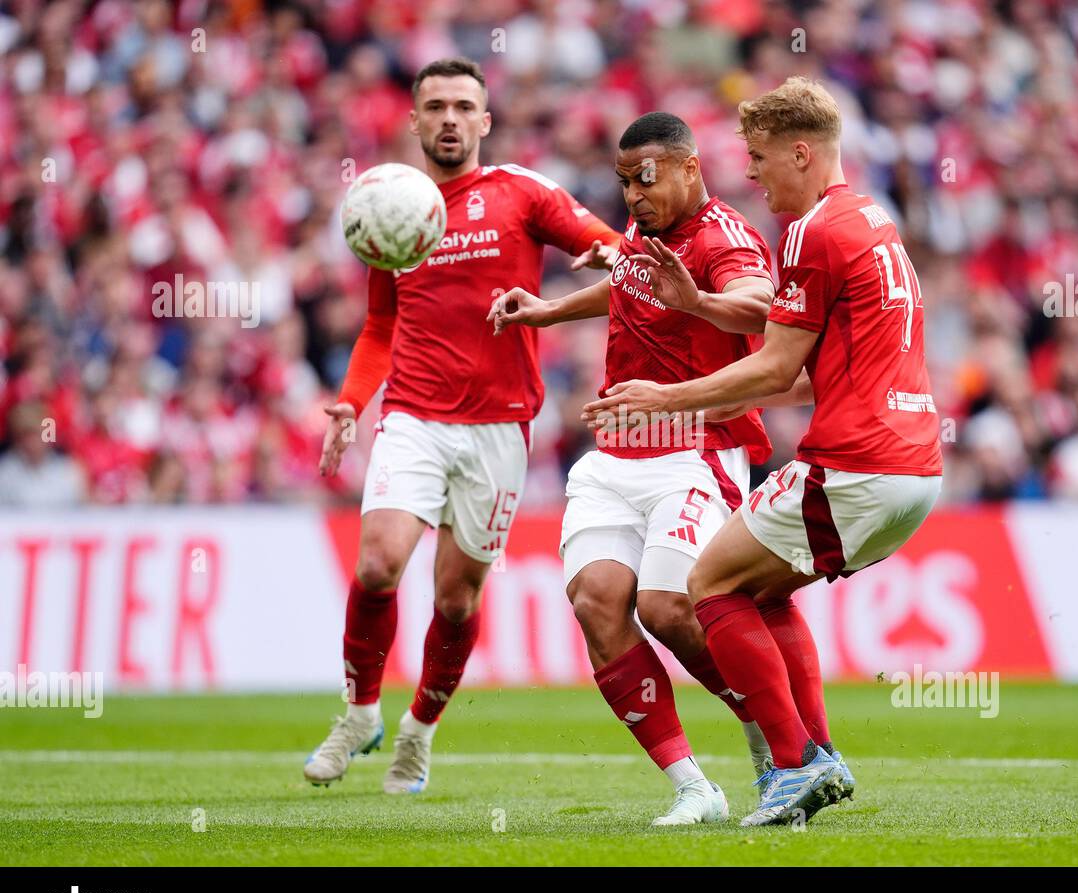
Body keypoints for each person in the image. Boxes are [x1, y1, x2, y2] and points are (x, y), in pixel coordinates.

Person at [583, 78, 944, 826]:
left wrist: (665, 397)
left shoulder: (811, 231)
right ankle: (815, 755)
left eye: (759, 158)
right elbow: (808, 376)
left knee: (706, 585)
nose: (750, 174)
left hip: (857, 460)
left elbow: (775, 366)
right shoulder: (874, 220)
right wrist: (708, 356)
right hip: (914, 465)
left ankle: (794, 764)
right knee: (762, 588)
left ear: (801, 152)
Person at [305, 57, 621, 794]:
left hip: (499, 426)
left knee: (456, 599)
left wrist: (608, 253)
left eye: (463, 106)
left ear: (484, 120)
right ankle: (358, 712)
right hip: (412, 414)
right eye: (435, 106)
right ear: (414, 120)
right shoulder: (389, 204)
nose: (449, 118)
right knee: (378, 563)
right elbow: (382, 323)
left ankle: (418, 730)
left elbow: (602, 245)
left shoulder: (521, 193)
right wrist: (353, 402)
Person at [489, 112, 776, 825]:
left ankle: (774, 740)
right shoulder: (645, 239)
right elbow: (625, 284)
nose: (632, 195)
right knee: (596, 603)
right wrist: (548, 311)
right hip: (617, 451)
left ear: (688, 168)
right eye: (623, 181)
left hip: (698, 447)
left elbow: (759, 309)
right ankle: (693, 789)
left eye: (645, 177)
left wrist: (698, 302)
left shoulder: (724, 237)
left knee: (666, 606)